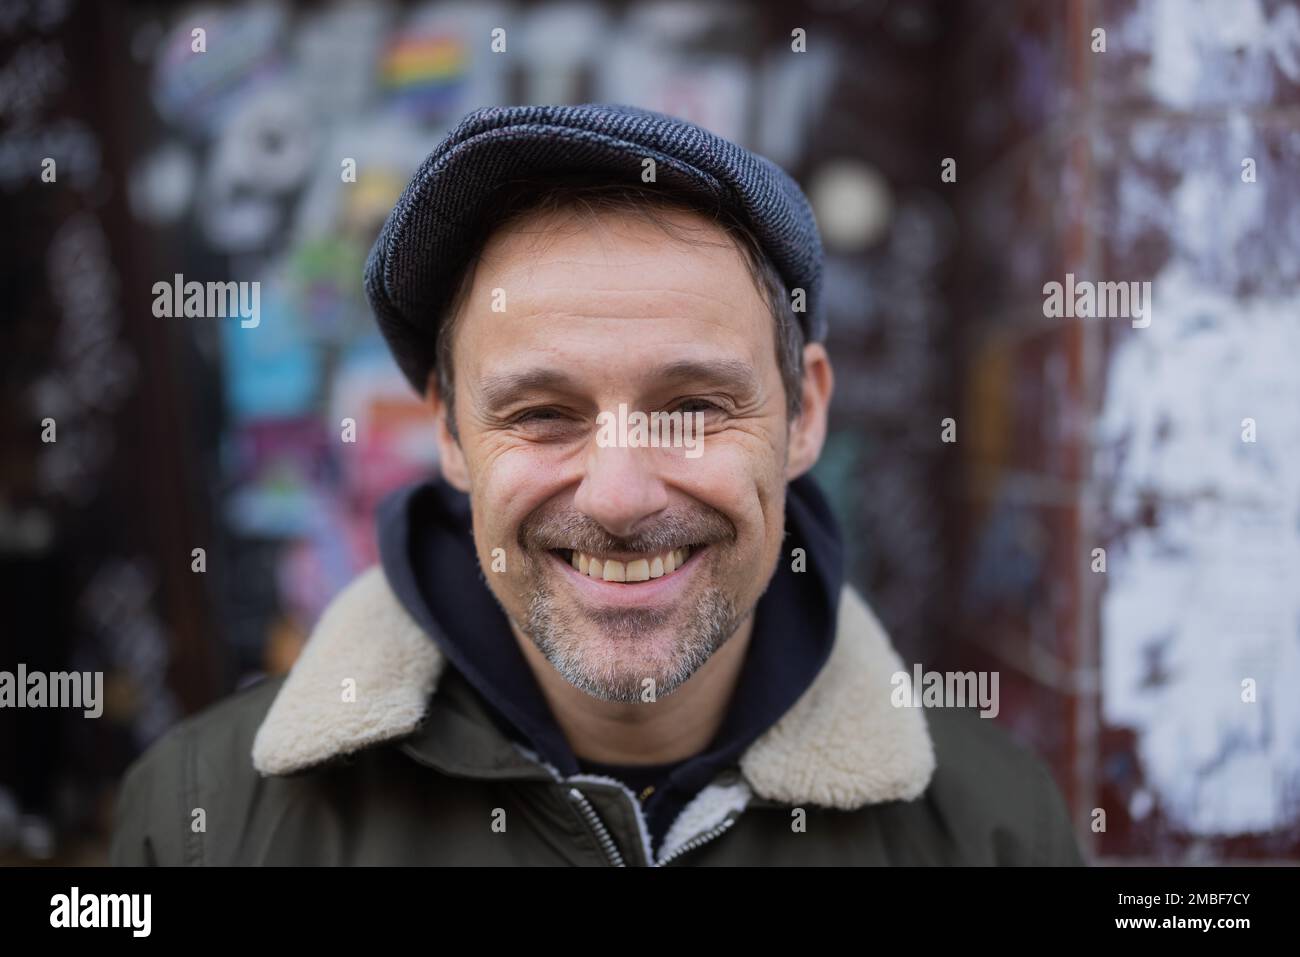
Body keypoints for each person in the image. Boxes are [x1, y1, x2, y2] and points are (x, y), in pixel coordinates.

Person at [111, 104, 1083, 866]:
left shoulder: (994, 832)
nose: (618, 499)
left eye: (692, 406)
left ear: (804, 414)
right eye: (542, 415)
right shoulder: (204, 824)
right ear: (450, 428)